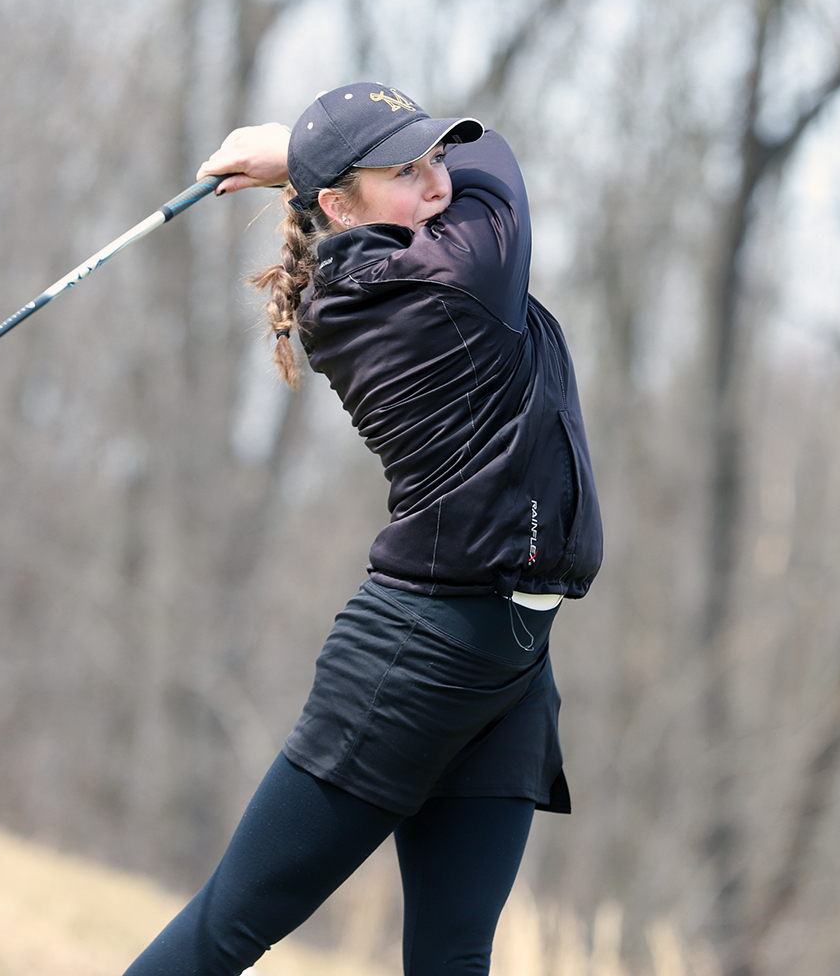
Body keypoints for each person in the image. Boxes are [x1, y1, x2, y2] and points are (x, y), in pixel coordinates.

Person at [124, 83, 602, 976]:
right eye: (405, 171)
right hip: (416, 662)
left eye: (432, 159)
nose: (437, 185)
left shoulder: (398, 267)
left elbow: (461, 169)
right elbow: (496, 160)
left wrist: (298, 160)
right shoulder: (449, 276)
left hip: (508, 666)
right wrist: (289, 149)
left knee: (451, 963)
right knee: (226, 930)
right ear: (339, 206)